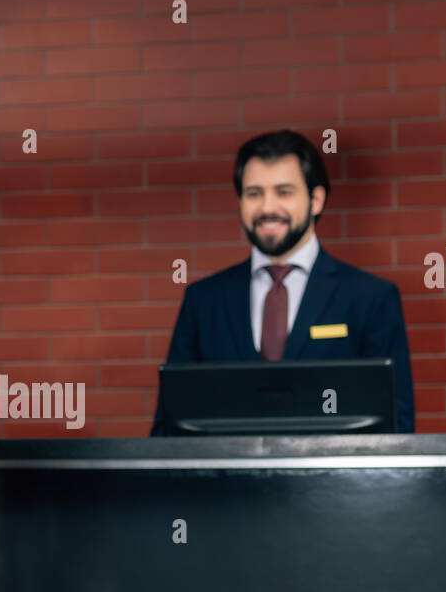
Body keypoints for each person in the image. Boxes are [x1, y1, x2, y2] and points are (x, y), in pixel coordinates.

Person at [151, 129, 415, 435]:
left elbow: (397, 429)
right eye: (254, 193)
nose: (267, 208)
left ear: (316, 199)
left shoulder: (372, 298)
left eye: (284, 192)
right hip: (223, 483)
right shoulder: (203, 301)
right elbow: (167, 430)